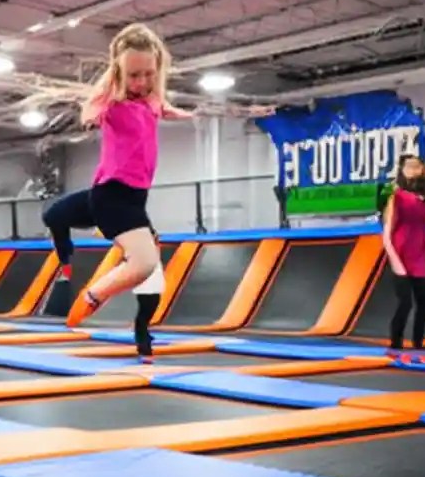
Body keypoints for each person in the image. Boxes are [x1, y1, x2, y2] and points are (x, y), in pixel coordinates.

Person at [61, 24, 271, 326]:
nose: (142, 82)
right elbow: (89, 113)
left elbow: (180, 112)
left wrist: (241, 112)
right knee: (144, 263)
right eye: (133, 75)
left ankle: (111, 244)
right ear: (119, 73)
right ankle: (90, 297)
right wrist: (98, 105)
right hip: (112, 194)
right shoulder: (113, 101)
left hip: (136, 198)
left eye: (149, 74)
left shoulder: (153, 101)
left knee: (150, 256)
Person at [382, 154, 425, 358]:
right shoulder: (397, 197)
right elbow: (387, 234)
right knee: (405, 302)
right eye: (409, 167)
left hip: (419, 257)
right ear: (401, 171)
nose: (413, 169)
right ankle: (395, 344)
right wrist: (395, 261)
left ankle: (418, 344)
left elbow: (424, 233)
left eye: (417, 166)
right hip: (400, 255)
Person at [131, 232, 165, 362]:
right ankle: (144, 345)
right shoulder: (145, 253)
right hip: (147, 288)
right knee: (143, 316)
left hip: (151, 287)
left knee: (144, 316)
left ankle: (144, 342)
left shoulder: (151, 253)